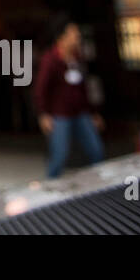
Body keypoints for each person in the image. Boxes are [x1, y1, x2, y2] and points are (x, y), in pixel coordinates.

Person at [33, 15, 104, 178]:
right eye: (73, 33)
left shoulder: (77, 58)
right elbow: (40, 89)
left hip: (81, 113)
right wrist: (43, 114)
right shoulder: (50, 60)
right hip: (60, 115)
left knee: (96, 150)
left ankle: (101, 184)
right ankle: (50, 188)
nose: (77, 37)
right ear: (62, 37)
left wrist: (93, 112)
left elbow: (84, 88)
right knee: (59, 155)